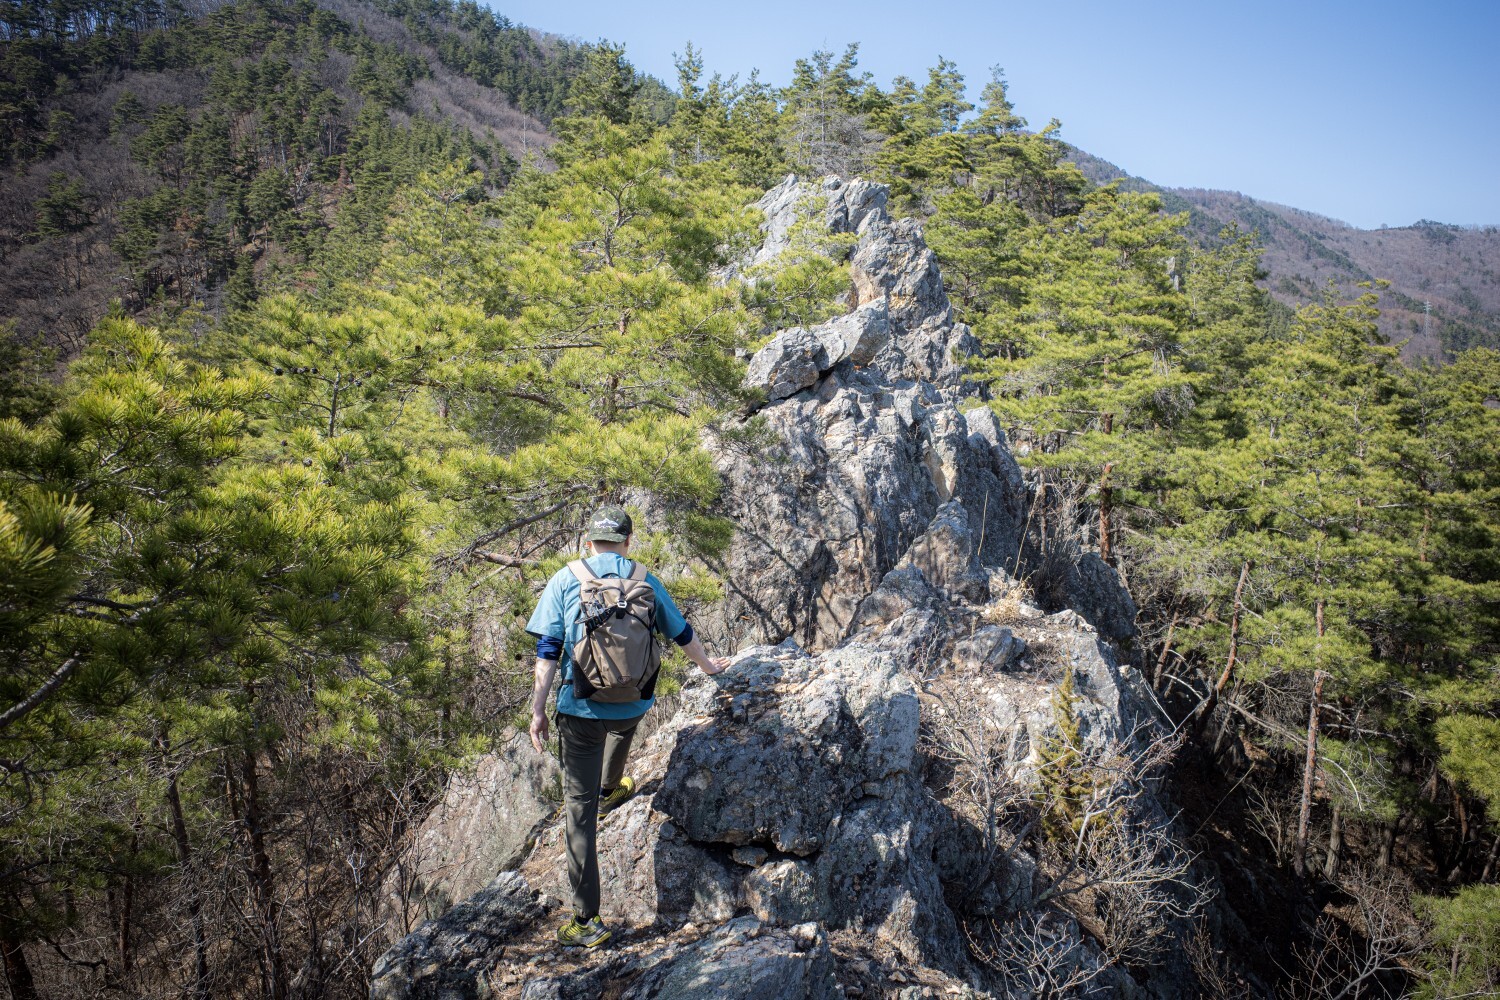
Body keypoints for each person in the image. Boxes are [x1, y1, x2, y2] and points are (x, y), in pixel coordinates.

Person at [526, 504, 729, 948]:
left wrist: (539, 710)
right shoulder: (644, 579)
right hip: (635, 702)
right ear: (628, 541)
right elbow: (681, 632)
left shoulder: (567, 578)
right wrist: (712, 668)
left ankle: (586, 922)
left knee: (579, 812)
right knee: (622, 724)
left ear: (589, 542)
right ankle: (613, 785)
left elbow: (547, 648)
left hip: (579, 709)